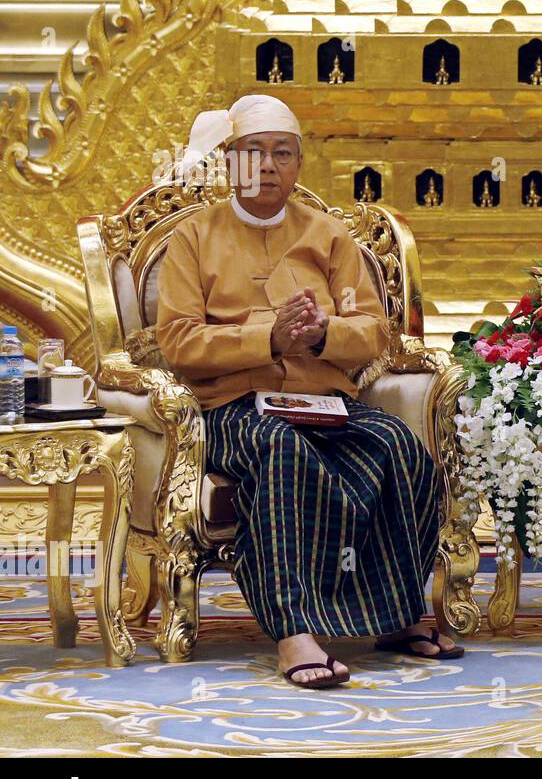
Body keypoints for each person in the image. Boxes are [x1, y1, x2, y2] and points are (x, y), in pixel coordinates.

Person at [156, 94, 462, 689]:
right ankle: (294, 630)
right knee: (284, 455)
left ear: (298, 165)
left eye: (281, 154)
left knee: (399, 447)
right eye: (252, 154)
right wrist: (264, 338)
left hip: (324, 402)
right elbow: (178, 341)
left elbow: (375, 331)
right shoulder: (194, 237)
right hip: (232, 407)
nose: (267, 166)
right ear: (229, 164)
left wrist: (324, 334)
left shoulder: (327, 235)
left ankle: (395, 616)